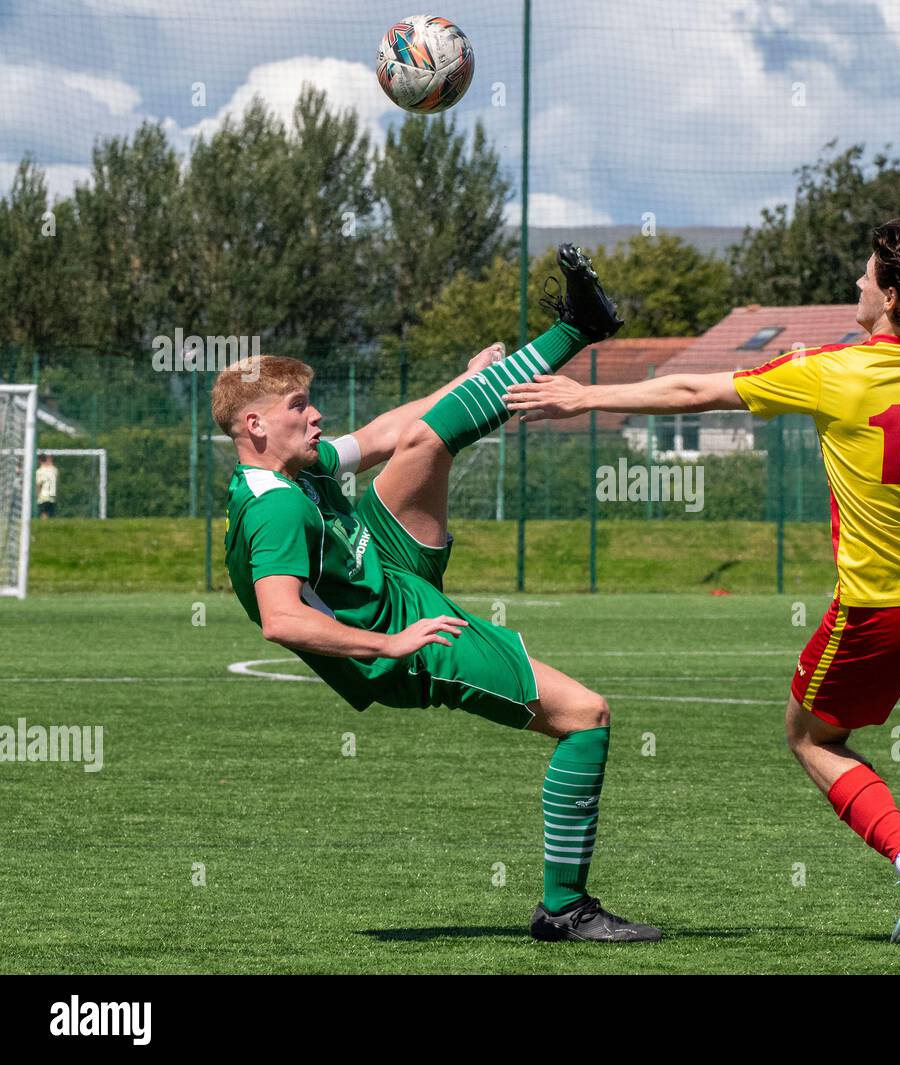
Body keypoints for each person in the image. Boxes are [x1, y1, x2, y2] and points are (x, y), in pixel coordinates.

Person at [506, 217, 900, 944]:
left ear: (891, 296)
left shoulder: (837, 369)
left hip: (878, 605)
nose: (858, 283)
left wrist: (586, 397)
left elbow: (695, 392)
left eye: (867, 275)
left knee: (810, 736)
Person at [213, 245, 659, 943]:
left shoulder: (299, 471)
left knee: (424, 437)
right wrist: (389, 642)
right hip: (399, 631)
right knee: (586, 714)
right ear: (255, 426)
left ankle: (580, 327)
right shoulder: (276, 509)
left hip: (382, 565)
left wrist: (461, 384)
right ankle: (563, 909)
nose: (317, 414)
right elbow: (280, 619)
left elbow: (393, 431)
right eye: (300, 406)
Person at [35, 453, 58, 519]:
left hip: (43, 496)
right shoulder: (54, 470)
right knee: (51, 514)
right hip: (52, 496)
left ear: (39, 460)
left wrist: (37, 495)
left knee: (43, 514)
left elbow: (38, 485)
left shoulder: (40, 471)